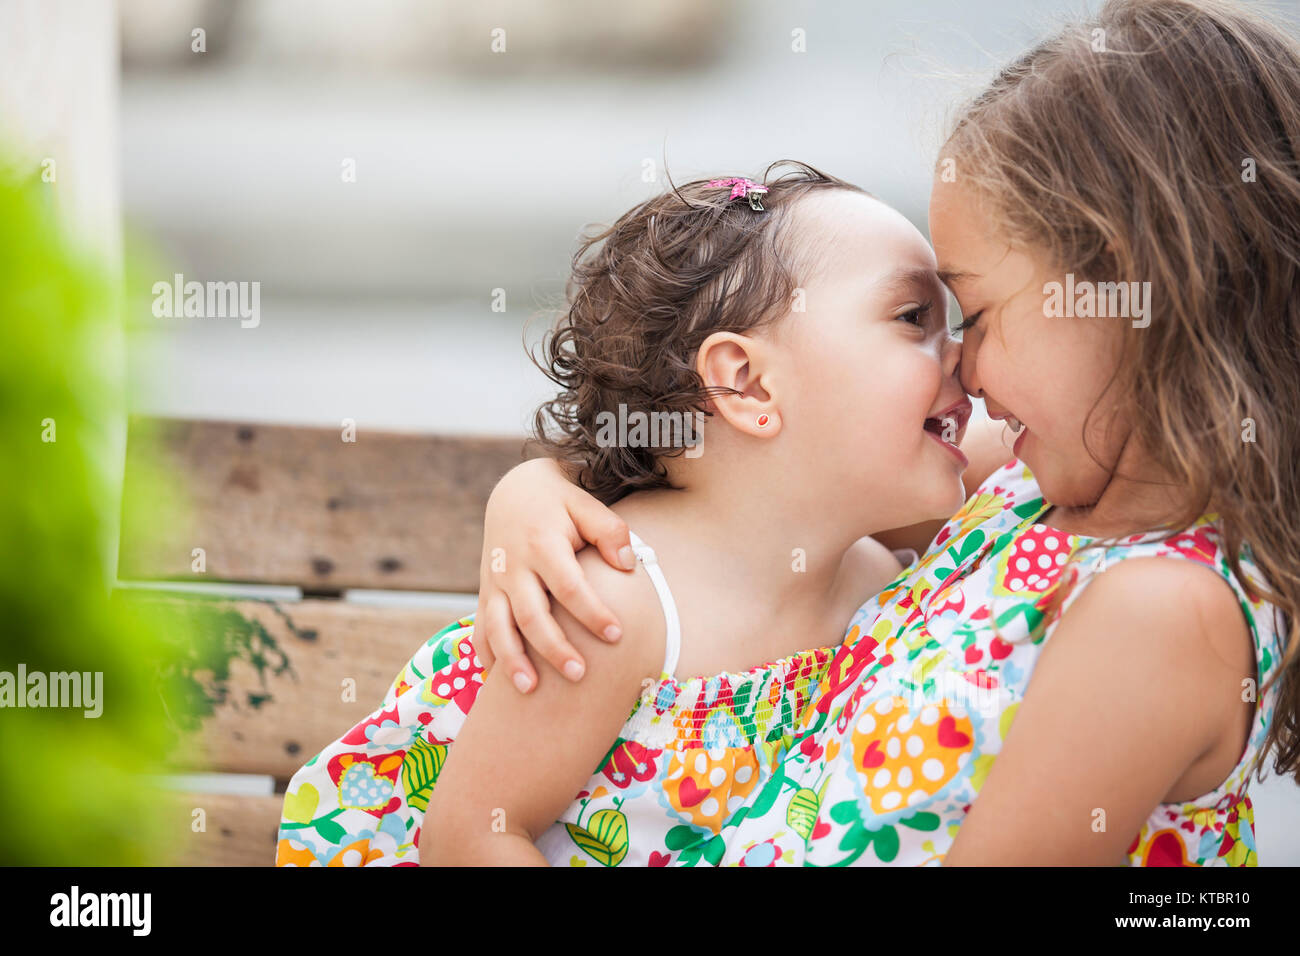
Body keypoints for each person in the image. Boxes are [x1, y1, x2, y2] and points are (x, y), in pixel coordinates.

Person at [471, 0, 1299, 865]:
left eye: (975, 315)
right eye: (926, 319)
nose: (965, 373)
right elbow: (745, 466)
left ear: (1124, 296)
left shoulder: (1162, 613)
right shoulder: (1028, 489)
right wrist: (532, 494)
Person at [276, 160, 1001, 865]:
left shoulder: (881, 553)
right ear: (747, 385)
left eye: (959, 323)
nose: (966, 362)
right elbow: (472, 836)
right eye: (913, 319)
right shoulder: (617, 606)